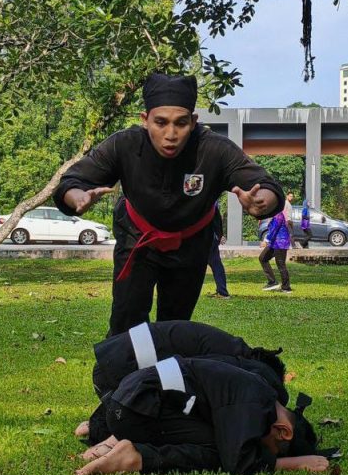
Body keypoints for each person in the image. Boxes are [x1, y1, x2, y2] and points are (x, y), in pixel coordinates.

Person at [54, 74, 284, 335]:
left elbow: (265, 184)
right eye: (160, 123)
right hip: (136, 242)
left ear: (194, 121)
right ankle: (121, 375)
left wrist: (262, 202)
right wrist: (77, 197)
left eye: (181, 123)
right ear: (145, 120)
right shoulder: (124, 145)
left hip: (191, 247)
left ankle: (164, 375)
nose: (170, 134)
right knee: (127, 324)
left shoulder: (215, 150)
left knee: (174, 328)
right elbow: (72, 181)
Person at [74, 356, 329, 475]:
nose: (264, 448)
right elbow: (238, 462)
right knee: (222, 450)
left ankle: (113, 443)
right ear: (283, 431)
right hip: (137, 408)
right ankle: (136, 457)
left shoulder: (257, 393)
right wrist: (289, 463)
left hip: (131, 402)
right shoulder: (255, 403)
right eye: (274, 449)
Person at [76, 319, 288, 444]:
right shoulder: (233, 362)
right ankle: (99, 430)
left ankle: (99, 423)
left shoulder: (231, 348)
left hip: (112, 359)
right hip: (118, 369)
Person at [259, 208, 292, 292]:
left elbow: (274, 228)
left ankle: (286, 288)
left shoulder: (278, 214)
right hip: (274, 243)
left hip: (281, 242)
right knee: (263, 258)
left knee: (281, 264)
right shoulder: (274, 214)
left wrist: (266, 240)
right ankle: (272, 282)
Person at [205, 205, 230, 298]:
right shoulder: (212, 202)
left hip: (206, 239)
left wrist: (219, 236)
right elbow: (218, 220)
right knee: (216, 264)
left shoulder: (207, 203)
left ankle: (223, 292)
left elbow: (217, 220)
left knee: (215, 264)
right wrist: (220, 236)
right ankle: (222, 290)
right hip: (210, 239)